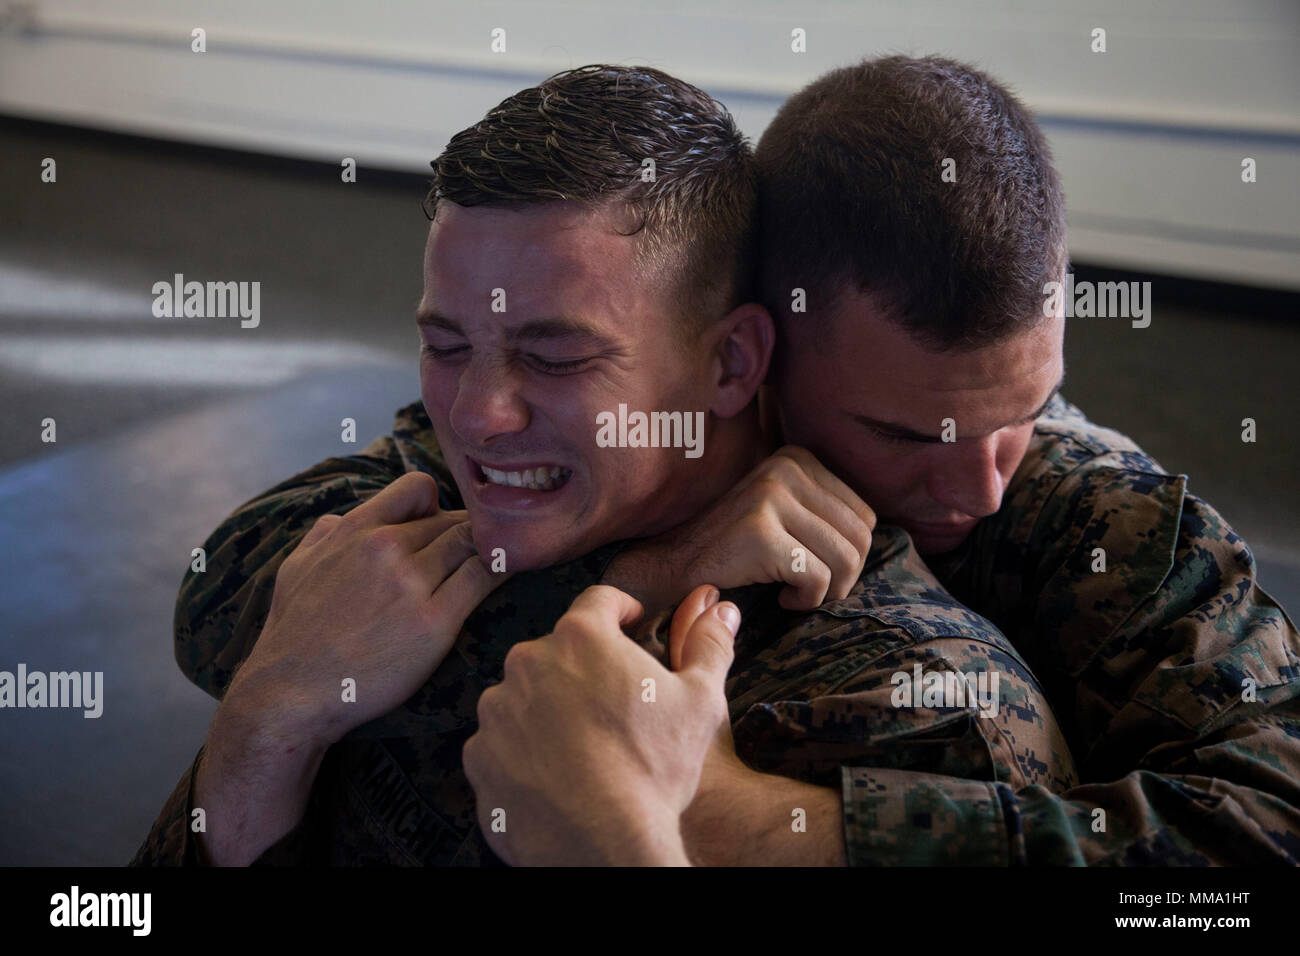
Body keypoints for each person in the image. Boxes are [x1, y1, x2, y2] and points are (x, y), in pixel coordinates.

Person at [131, 64, 1073, 866]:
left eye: (556, 357)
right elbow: (220, 588)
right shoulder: (433, 491)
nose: (479, 416)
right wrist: (267, 716)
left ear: (731, 363)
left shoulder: (909, 702)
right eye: (447, 344)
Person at [468, 56, 1300, 865]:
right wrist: (663, 572)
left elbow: (1269, 830)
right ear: (755, 357)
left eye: (1026, 412)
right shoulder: (656, 411)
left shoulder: (1117, 520)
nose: (982, 487)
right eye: (909, 435)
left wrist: (729, 819)